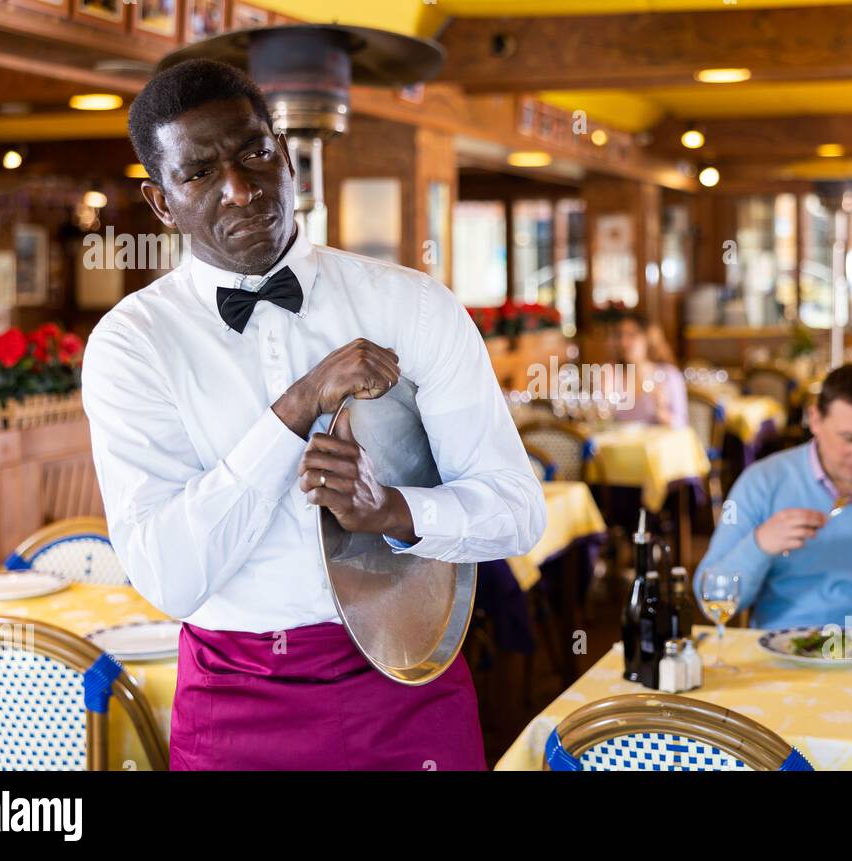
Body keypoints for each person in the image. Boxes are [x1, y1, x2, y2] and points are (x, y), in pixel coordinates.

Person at [82, 60, 545, 770]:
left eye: (255, 153)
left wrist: (394, 511)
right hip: (235, 702)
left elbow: (518, 511)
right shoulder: (131, 345)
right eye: (199, 173)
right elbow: (169, 576)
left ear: (289, 157)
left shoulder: (413, 305)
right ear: (161, 204)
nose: (239, 189)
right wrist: (297, 408)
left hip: (408, 678)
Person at [693, 364, 852, 635]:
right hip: (781, 657)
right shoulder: (761, 483)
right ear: (815, 420)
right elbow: (709, 596)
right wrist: (759, 545)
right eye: (849, 438)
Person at [611, 311, 688, 428]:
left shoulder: (668, 375)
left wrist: (661, 412)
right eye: (620, 335)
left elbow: (682, 424)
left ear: (648, 338)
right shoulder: (613, 375)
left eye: (631, 335)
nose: (623, 342)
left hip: (657, 445)